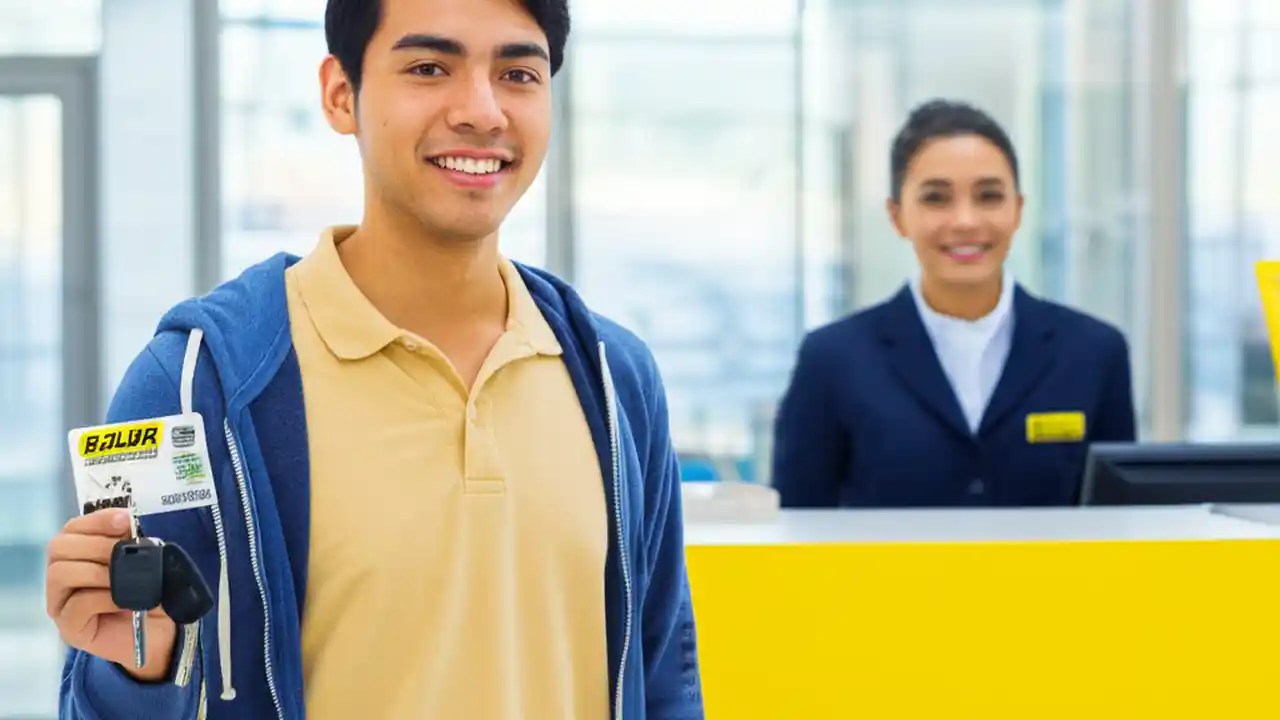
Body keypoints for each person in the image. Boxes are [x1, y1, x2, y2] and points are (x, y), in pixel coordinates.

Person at [46, 0, 704, 718]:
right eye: (429, 67)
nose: (482, 111)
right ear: (340, 93)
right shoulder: (196, 385)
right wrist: (141, 673)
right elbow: (122, 664)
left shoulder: (614, 379)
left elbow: (664, 678)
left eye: (518, 73)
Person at [771, 99, 1136, 508]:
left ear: (1017, 210)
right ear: (897, 216)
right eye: (936, 198)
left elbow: (1119, 523)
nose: (965, 221)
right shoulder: (833, 359)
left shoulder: (1093, 353)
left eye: (989, 196)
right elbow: (795, 529)